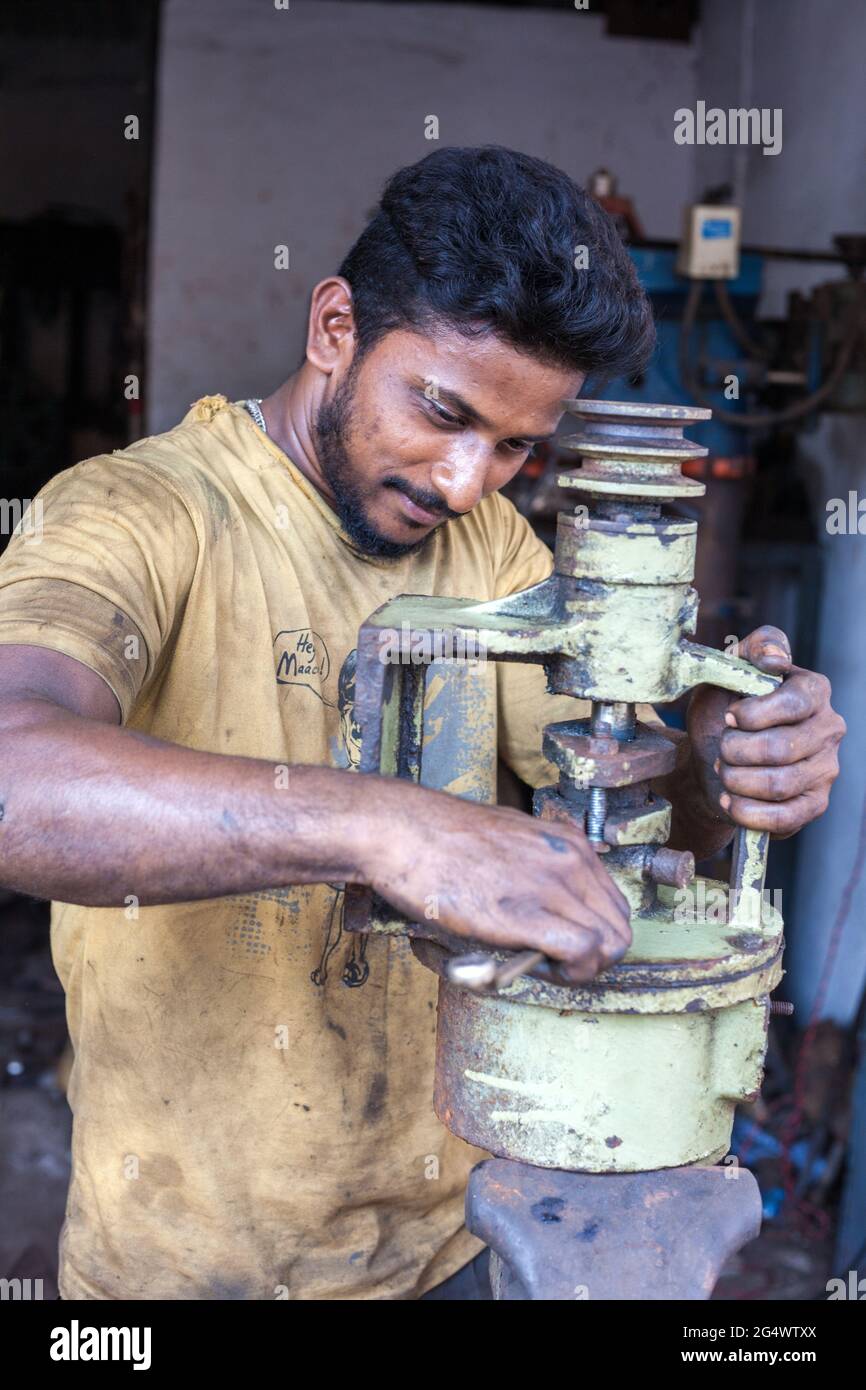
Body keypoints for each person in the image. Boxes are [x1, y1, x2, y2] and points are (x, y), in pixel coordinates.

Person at [0, 147, 844, 1300]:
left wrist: (715, 759)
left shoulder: (492, 548)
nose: (464, 479)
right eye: (442, 411)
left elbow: (622, 814)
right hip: (195, 1263)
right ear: (335, 327)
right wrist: (388, 829)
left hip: (456, 1239)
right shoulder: (135, 514)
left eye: (514, 447)